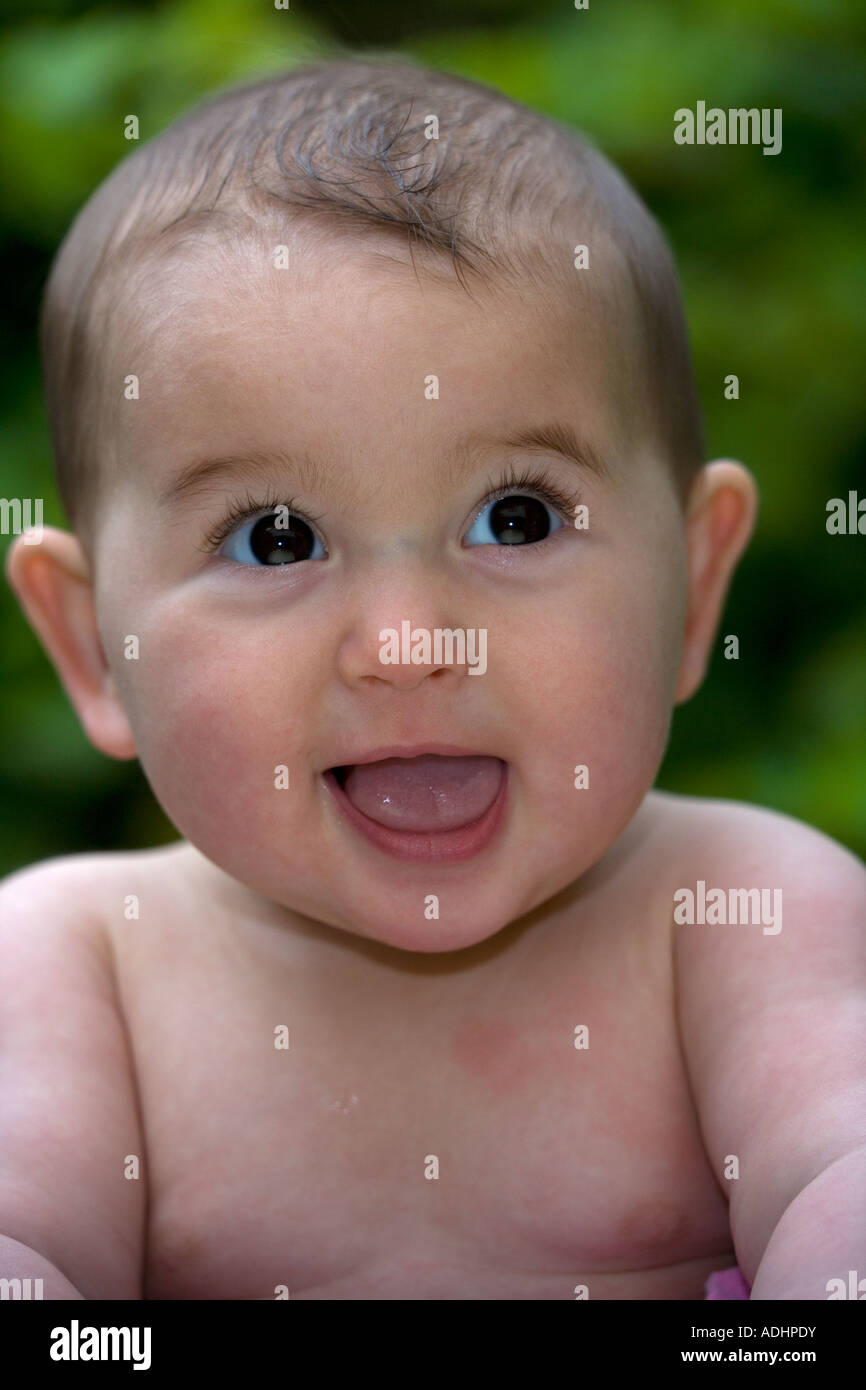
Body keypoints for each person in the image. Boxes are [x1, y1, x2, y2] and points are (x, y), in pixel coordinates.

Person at [2, 57, 863, 1300]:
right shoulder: (82, 963)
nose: (409, 643)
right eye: (275, 539)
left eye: (515, 519)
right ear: (91, 647)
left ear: (694, 585)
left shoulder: (737, 914)